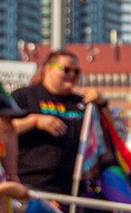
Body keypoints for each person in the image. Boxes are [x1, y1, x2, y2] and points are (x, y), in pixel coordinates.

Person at [9, 50, 108, 202]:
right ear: (48, 69)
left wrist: (102, 102)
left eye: (77, 71)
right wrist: (34, 121)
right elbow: (2, 129)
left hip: (71, 188)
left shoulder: (82, 103)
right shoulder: (24, 96)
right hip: (31, 185)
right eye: (66, 70)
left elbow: (110, 132)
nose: (72, 75)